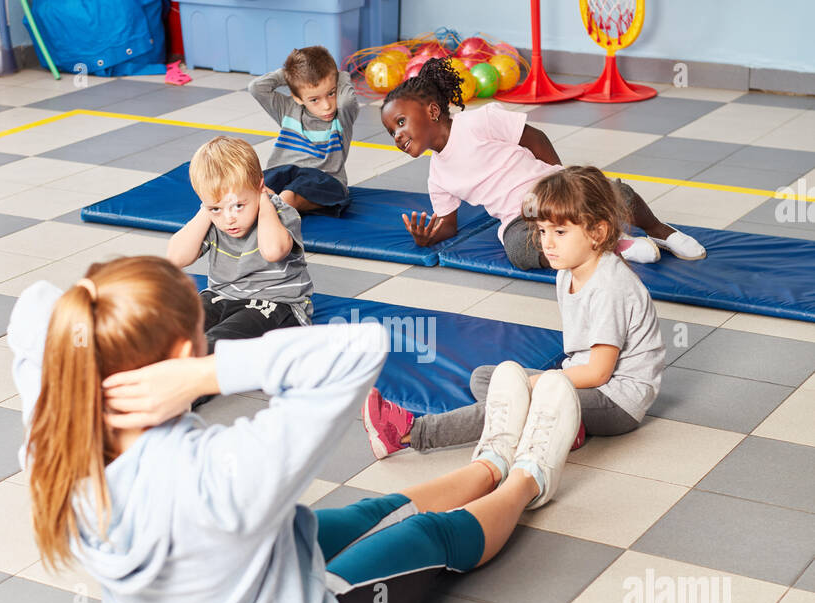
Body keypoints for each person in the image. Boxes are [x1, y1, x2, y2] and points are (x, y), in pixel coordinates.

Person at [6, 257, 581, 603]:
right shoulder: (219, 470)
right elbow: (358, 350)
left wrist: (100, 327)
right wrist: (208, 374)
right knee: (423, 533)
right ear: (184, 356)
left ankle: (491, 460)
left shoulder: (51, 428)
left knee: (366, 512)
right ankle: (528, 474)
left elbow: (32, 309)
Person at [363, 166, 666, 460]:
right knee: (484, 378)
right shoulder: (567, 272)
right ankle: (560, 424)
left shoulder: (610, 285)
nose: (547, 243)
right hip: (586, 382)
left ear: (597, 232)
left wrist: (531, 386)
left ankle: (411, 433)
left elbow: (598, 372)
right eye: (543, 230)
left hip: (616, 400)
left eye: (560, 232)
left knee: (510, 399)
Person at [380, 57, 707, 268]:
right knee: (518, 251)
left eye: (401, 123)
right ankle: (610, 246)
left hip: (550, 190)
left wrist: (563, 178)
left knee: (612, 192)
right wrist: (428, 238)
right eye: (391, 130)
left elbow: (534, 138)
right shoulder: (437, 176)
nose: (396, 135)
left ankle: (658, 230)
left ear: (432, 112)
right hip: (521, 218)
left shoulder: (479, 121)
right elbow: (448, 225)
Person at [167, 135, 314, 352]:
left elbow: (273, 251)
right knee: (172, 332)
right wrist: (206, 209)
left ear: (259, 187)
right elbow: (175, 258)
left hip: (275, 305)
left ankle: (189, 375)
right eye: (216, 209)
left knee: (217, 342)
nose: (228, 219)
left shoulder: (280, 212)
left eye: (237, 206)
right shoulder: (213, 218)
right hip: (220, 297)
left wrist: (263, 201)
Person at [248, 45, 359, 216]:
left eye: (331, 93)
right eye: (314, 99)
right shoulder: (287, 108)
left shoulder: (341, 116)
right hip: (282, 171)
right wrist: (294, 77)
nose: (327, 106)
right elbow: (256, 87)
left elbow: (346, 101)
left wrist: (340, 75)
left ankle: (276, 209)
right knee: (251, 189)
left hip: (324, 179)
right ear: (298, 98)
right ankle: (269, 206)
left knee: (289, 195)